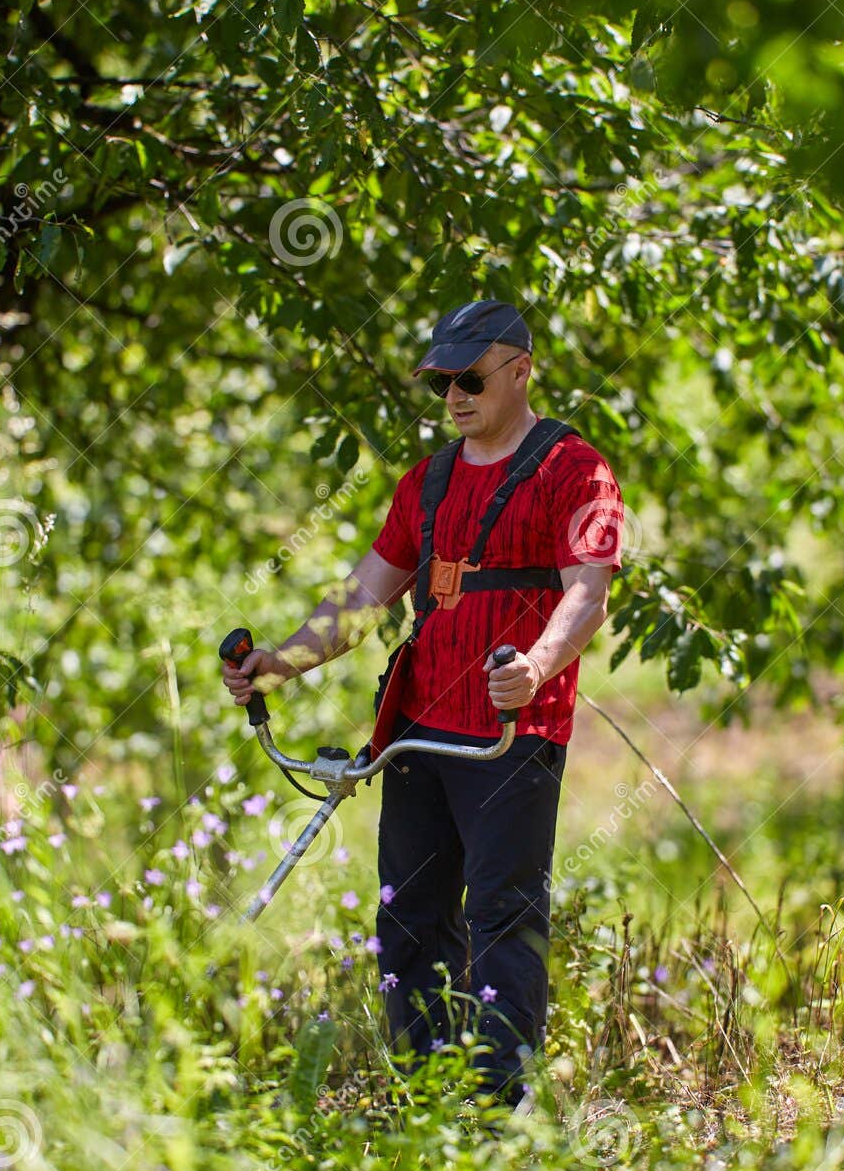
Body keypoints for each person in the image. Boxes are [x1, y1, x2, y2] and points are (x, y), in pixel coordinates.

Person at [222, 299, 625, 1107]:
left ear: (520, 370)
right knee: (406, 923)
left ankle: (496, 1117)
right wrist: (278, 664)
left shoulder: (575, 471)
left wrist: (538, 665)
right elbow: (363, 597)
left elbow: (588, 593)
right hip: (416, 733)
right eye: (443, 381)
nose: (453, 396)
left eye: (470, 378)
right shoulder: (428, 480)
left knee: (502, 924)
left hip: (509, 736)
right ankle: (425, 1100)